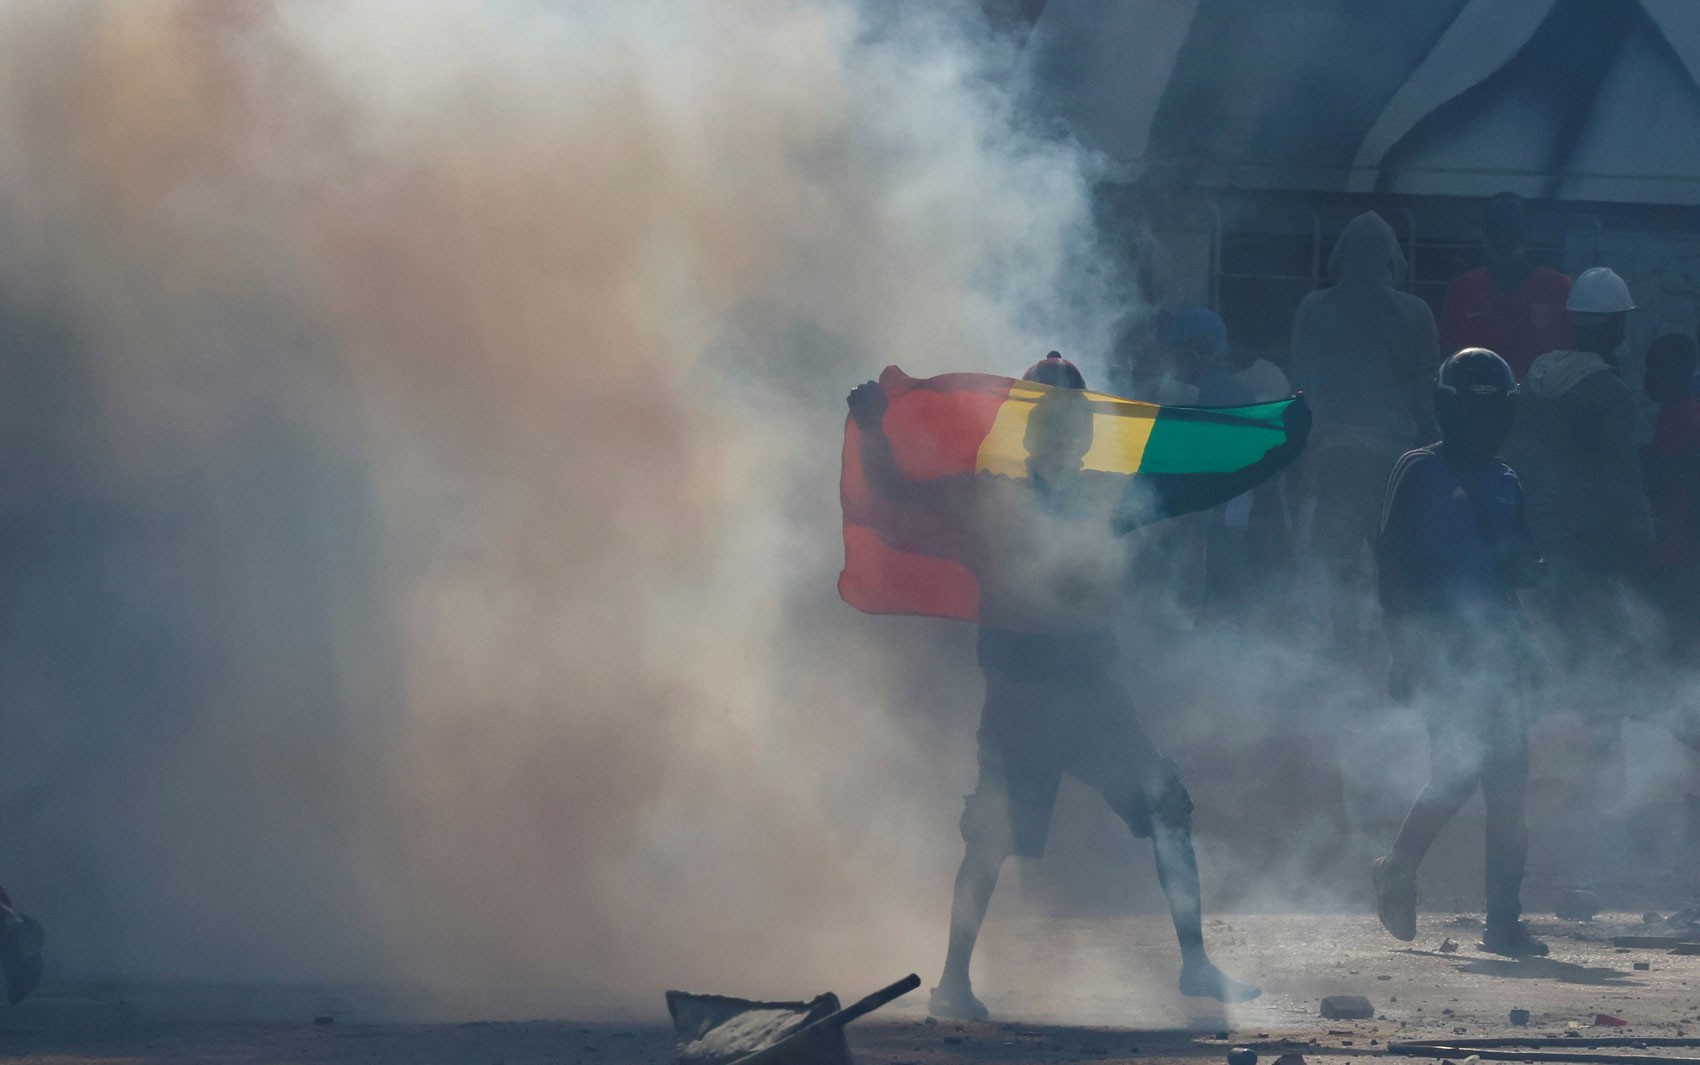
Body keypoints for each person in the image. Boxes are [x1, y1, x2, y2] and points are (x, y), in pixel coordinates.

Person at [846, 353, 1306, 1020]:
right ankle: (953, 981)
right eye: (1050, 419)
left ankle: (1196, 965)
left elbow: (1204, 482)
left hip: (1092, 695)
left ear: (1087, 434)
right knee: (989, 838)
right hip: (1019, 699)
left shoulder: (1108, 494)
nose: (1063, 433)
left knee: (1169, 809)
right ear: (1029, 431)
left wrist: (1280, 440)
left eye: (1074, 421)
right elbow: (897, 492)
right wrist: (872, 429)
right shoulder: (987, 497)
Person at [1371, 348, 1548, 957]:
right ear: (1447, 409)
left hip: (1498, 653)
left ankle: (1504, 923)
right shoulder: (1417, 470)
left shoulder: (1506, 481)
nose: (1482, 423)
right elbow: (1390, 571)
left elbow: (1516, 571)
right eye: (1472, 410)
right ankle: (1396, 866)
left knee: (1508, 786)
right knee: (1456, 774)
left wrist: (1530, 589)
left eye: (1490, 411)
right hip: (1441, 652)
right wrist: (1402, 652)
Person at [1289, 212, 1437, 639]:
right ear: (1392, 259)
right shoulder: (1415, 312)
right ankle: (1397, 645)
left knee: (1341, 562)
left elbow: (1299, 388)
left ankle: (1344, 646)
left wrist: (1297, 461)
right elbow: (1424, 396)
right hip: (1395, 459)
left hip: (1335, 454)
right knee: (1395, 561)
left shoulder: (1314, 308)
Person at [1439, 193, 1574, 380]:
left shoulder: (1558, 287)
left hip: (1531, 398)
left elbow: (1449, 354)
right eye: (1499, 224)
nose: (1503, 232)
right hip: (1494, 397)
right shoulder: (1559, 285)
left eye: (1509, 223)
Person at [1643, 333, 1700, 660]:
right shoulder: (1673, 414)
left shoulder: (1688, 418)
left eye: (1658, 367)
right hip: (1670, 554)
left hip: (1680, 558)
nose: (1649, 375)